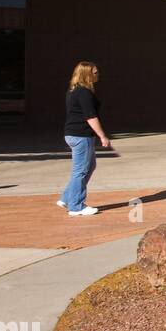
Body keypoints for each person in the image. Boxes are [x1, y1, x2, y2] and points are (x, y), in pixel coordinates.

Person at [58, 61, 112, 217]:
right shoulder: (83, 93)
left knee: (88, 167)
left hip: (73, 134)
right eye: (95, 73)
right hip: (81, 135)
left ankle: (67, 198)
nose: (97, 75)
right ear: (87, 74)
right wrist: (102, 136)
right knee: (81, 171)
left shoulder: (73, 91)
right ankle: (76, 206)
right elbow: (90, 116)